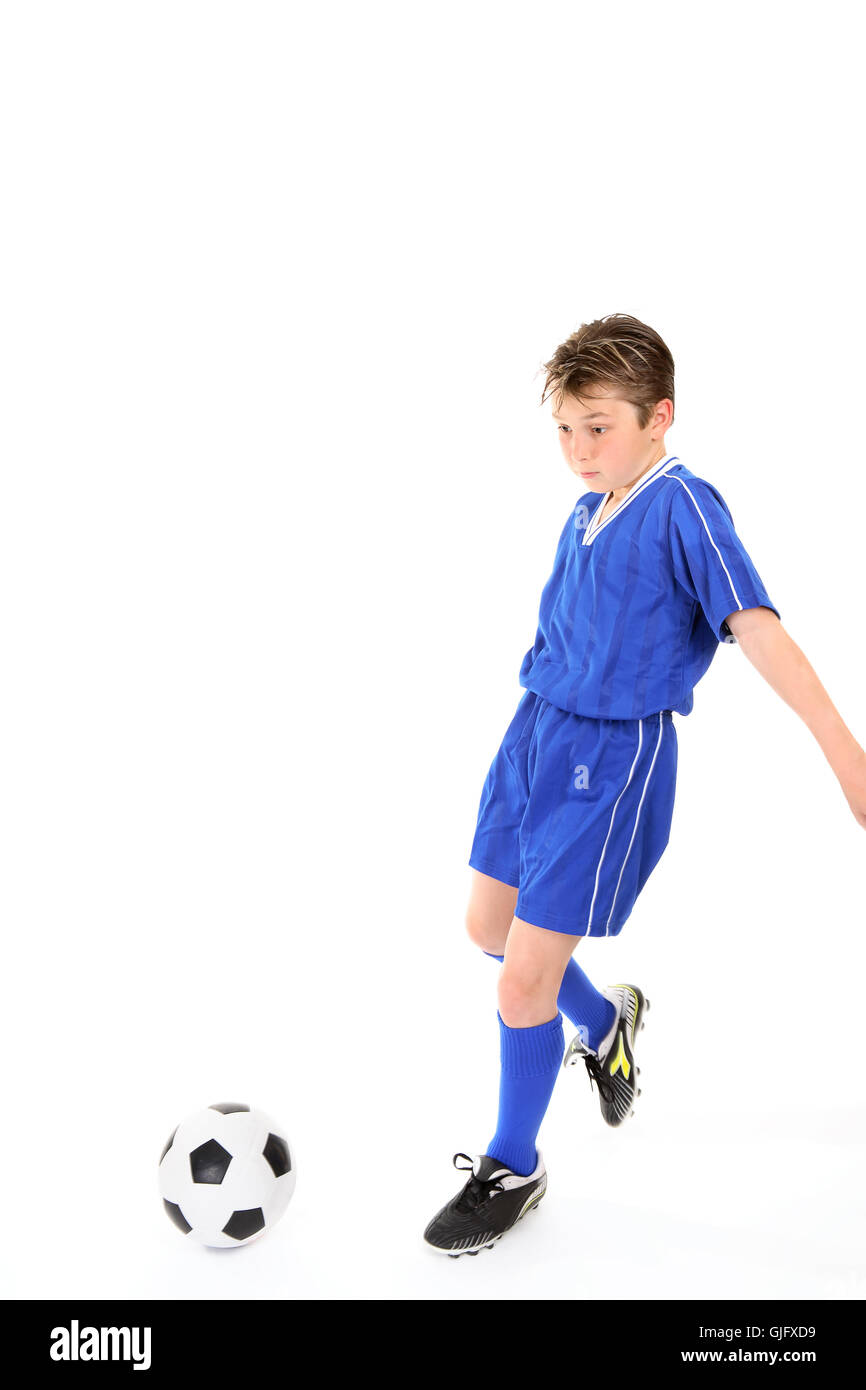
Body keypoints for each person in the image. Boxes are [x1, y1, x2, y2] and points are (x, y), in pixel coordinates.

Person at [423, 312, 866, 1258]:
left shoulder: (685, 505)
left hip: (610, 762)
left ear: (660, 417)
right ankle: (607, 1020)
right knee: (487, 931)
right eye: (566, 430)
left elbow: (759, 630)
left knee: (521, 985)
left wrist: (845, 753)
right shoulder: (587, 509)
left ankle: (514, 1161)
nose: (581, 450)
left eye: (601, 427)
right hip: (534, 735)